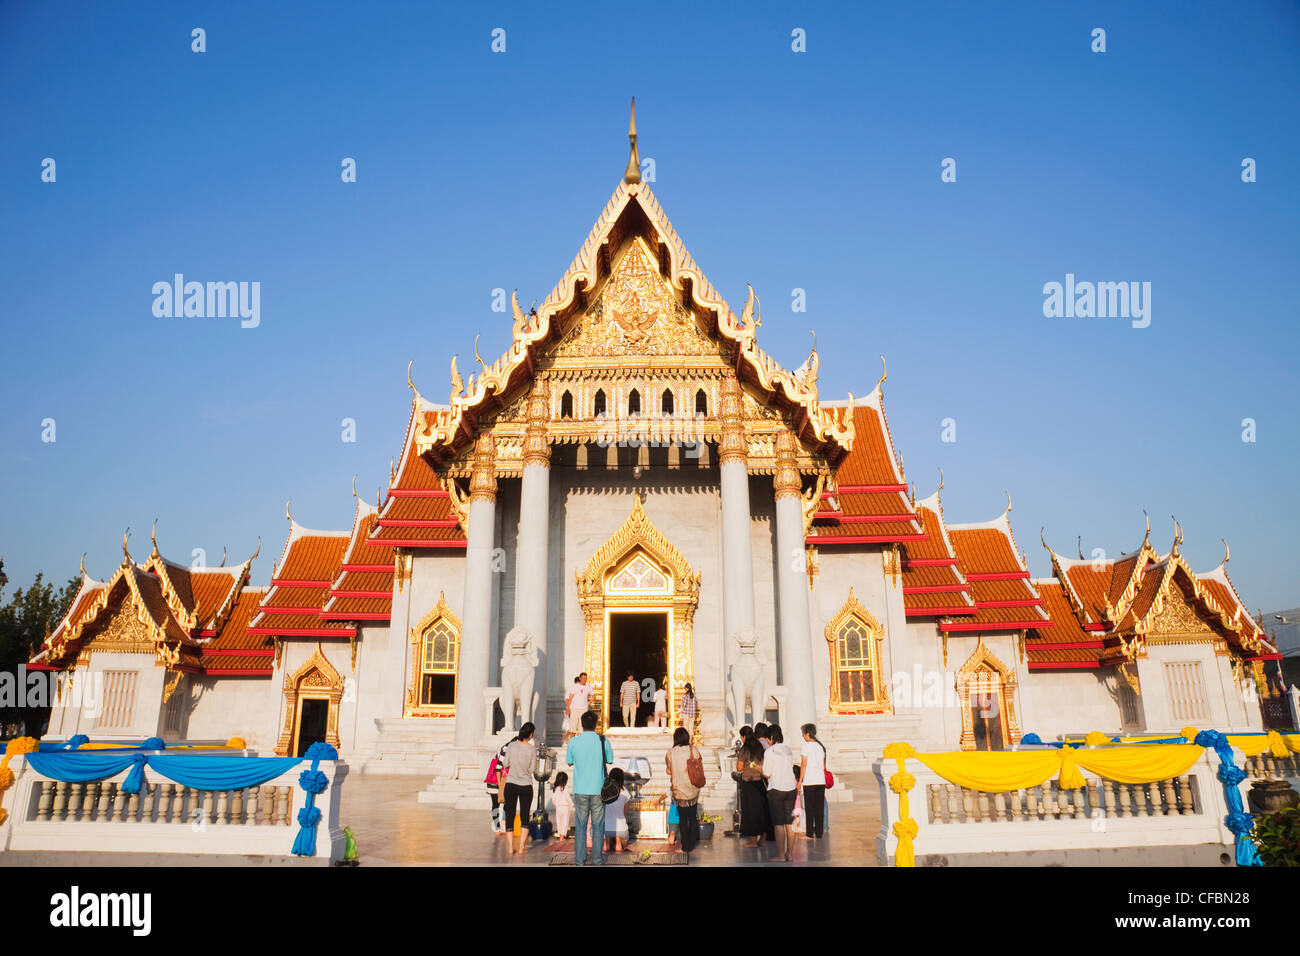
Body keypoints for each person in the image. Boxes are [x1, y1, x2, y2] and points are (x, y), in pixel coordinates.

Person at [566, 710, 614, 866]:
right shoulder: (603, 740)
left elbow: (569, 761)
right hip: (598, 789)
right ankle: (597, 859)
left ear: (581, 724)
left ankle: (580, 859)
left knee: (580, 825)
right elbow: (611, 759)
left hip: (581, 789)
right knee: (598, 825)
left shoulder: (574, 742)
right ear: (596, 724)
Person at [762, 723, 797, 861]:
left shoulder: (769, 751)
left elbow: (767, 773)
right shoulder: (788, 749)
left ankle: (781, 855)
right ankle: (790, 854)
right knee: (789, 823)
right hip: (791, 789)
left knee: (779, 824)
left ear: (771, 738)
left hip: (776, 789)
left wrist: (759, 769)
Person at [501, 722, 538, 855]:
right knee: (524, 816)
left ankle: (511, 847)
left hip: (511, 784)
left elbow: (505, 763)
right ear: (530, 734)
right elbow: (533, 769)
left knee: (509, 815)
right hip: (526, 785)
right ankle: (522, 847)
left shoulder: (511, 745)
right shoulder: (532, 749)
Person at [665, 727, 702, 858]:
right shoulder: (694, 750)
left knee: (682, 819)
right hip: (693, 788)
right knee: (692, 817)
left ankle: (685, 847)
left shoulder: (671, 753)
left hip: (679, 790)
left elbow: (669, 771)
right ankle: (691, 844)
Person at [736, 730, 770, 848]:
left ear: (744, 736)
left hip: (749, 783)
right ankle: (763, 838)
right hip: (760, 782)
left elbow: (739, 767)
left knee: (751, 812)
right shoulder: (760, 747)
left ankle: (753, 840)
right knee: (762, 811)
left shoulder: (745, 749)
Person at [798, 723, 827, 839]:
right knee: (819, 807)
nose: (802, 736)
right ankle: (819, 832)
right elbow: (823, 765)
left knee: (810, 808)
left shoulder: (806, 746)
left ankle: (809, 833)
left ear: (807, 734)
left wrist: (800, 780)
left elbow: (804, 763)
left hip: (810, 780)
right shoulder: (820, 747)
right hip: (820, 780)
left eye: (803, 734)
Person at [603, 767, 630, 852]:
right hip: (621, 829)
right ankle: (618, 843)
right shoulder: (625, 792)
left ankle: (606, 845)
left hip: (605, 829)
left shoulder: (603, 790)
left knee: (606, 843)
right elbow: (625, 812)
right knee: (620, 841)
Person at [565, 673, 591, 741]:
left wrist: (588, 704)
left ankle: (580, 742)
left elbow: (592, 696)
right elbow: (568, 699)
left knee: (581, 728)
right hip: (574, 709)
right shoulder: (573, 688)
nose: (584, 680)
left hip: (583, 710)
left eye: (585, 678)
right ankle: (571, 742)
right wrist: (568, 708)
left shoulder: (587, 687)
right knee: (572, 728)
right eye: (582, 678)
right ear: (579, 679)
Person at [551, 771, 573, 842]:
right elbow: (567, 797)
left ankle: (560, 835)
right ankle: (562, 837)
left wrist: (556, 804)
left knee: (559, 822)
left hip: (558, 808)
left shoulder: (555, 789)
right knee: (565, 822)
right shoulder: (565, 788)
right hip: (565, 807)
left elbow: (553, 799)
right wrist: (572, 804)